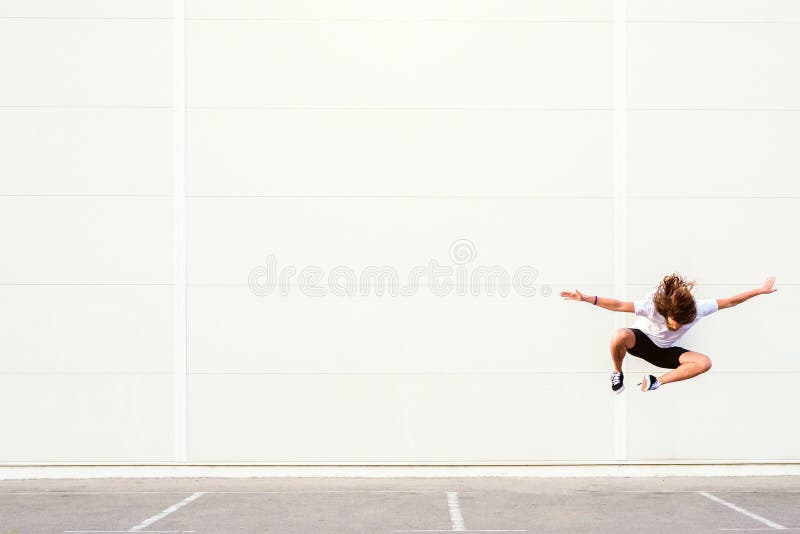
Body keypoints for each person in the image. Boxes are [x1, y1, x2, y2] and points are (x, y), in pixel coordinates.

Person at [560, 273, 777, 393]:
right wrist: (587, 298)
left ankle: (656, 382)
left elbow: (730, 302)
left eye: (682, 324)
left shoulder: (699, 308)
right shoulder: (652, 307)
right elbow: (618, 305)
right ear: (666, 312)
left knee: (704, 363)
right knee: (619, 335)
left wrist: (759, 291)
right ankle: (617, 372)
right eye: (674, 323)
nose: (676, 327)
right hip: (642, 342)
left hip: (667, 352)